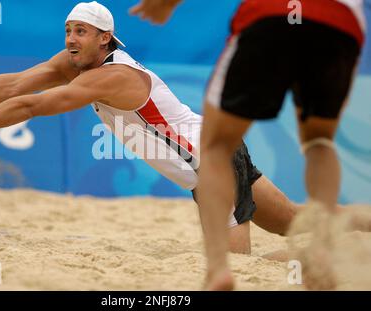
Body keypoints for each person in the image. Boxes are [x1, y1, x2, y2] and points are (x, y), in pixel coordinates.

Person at [130, 0, 366, 290]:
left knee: (216, 145)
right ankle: (319, 249)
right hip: (338, 21)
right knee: (319, 142)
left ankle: (218, 269)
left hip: (269, 14)